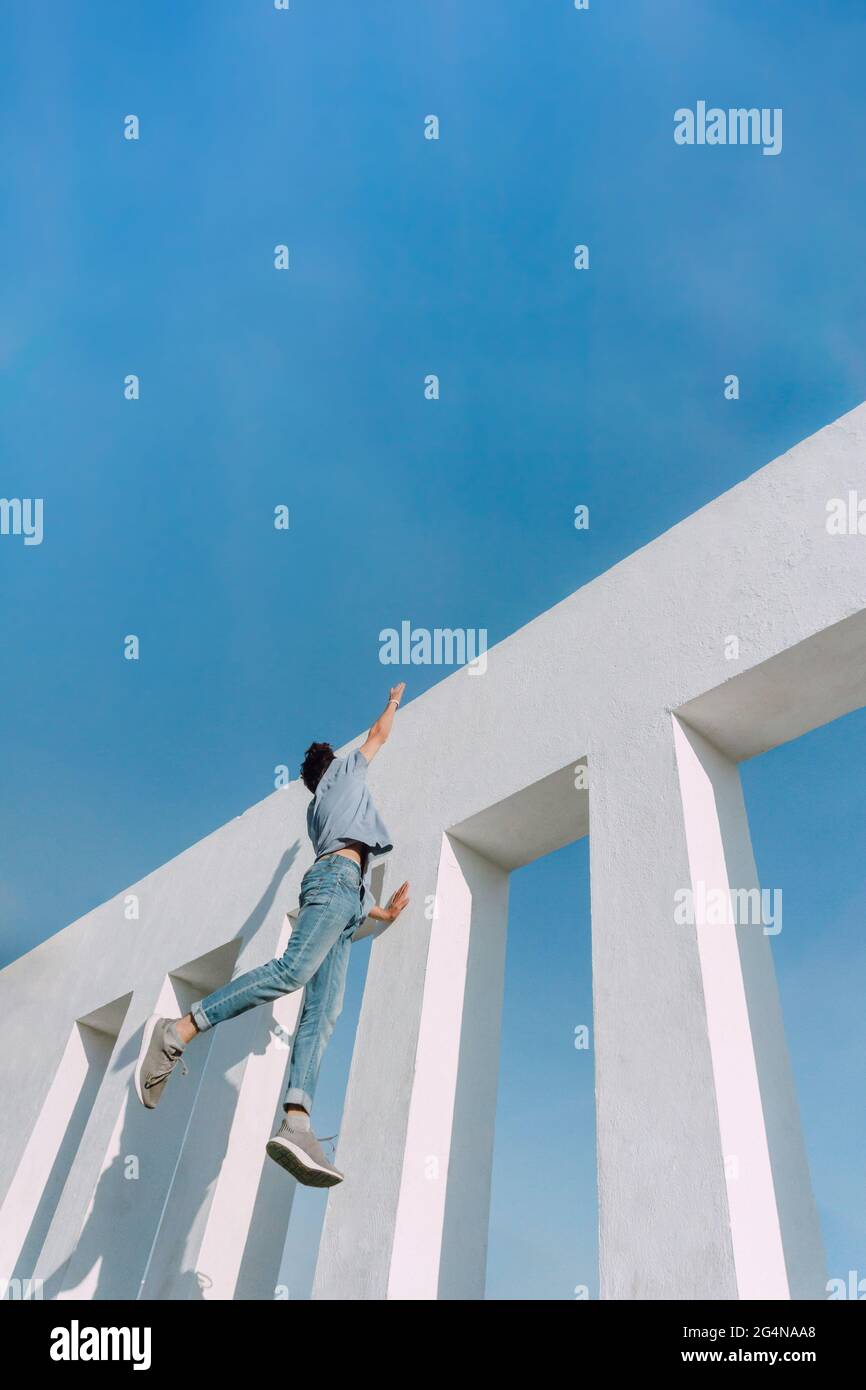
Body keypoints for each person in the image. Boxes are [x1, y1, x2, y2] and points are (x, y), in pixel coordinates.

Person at [134, 684, 410, 1188]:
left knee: (323, 1012)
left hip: (346, 897)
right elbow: (377, 736)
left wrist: (380, 913)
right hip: (334, 885)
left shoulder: (319, 811)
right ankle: (178, 1031)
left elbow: (347, 874)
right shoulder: (344, 776)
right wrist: (392, 701)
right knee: (292, 972)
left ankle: (297, 1122)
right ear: (334, 767)